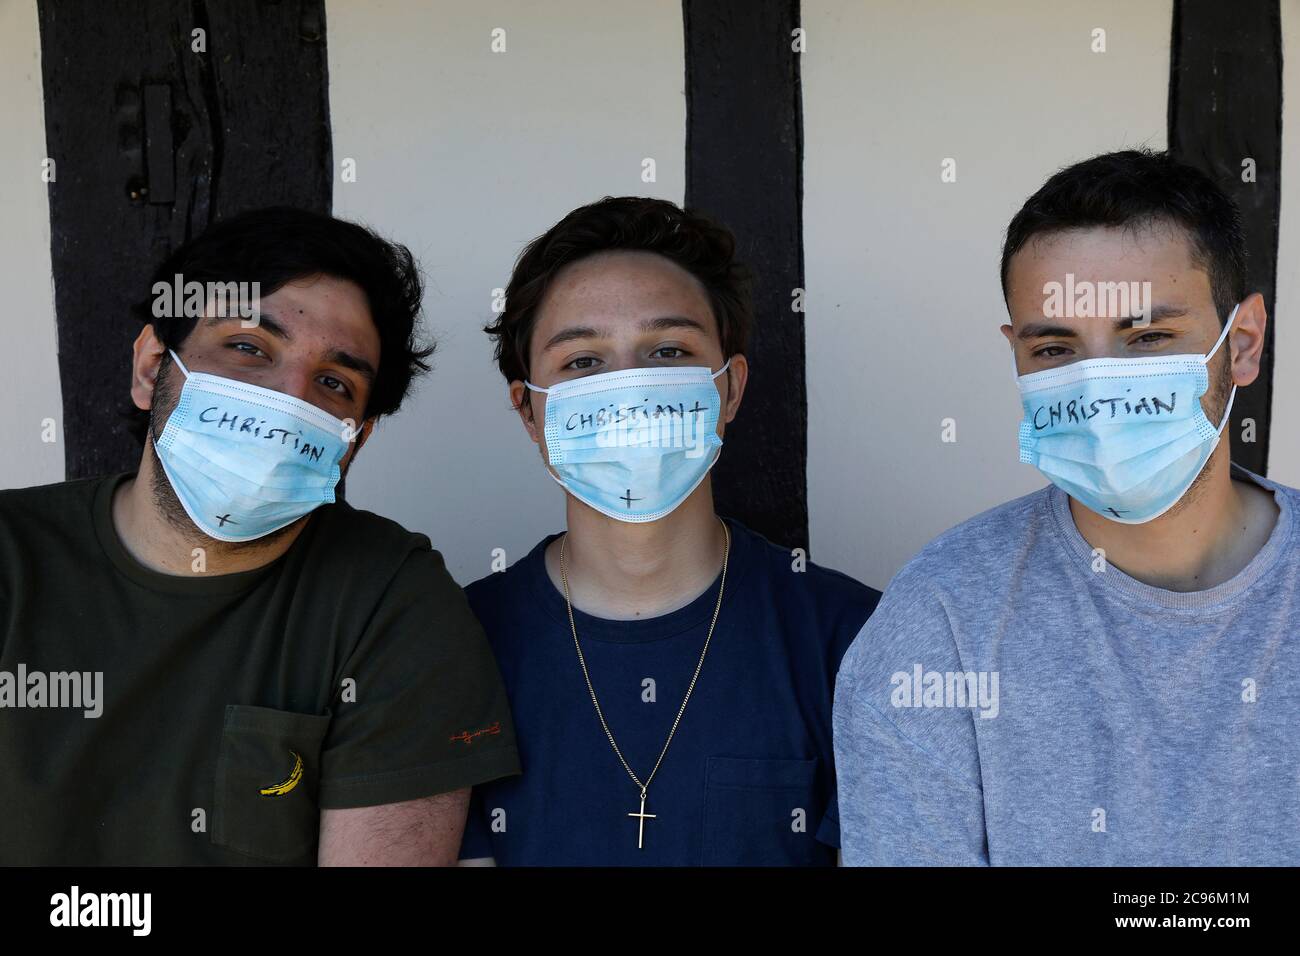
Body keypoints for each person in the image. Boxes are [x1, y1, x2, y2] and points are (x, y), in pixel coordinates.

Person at [0, 207, 519, 865]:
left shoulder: (390, 602)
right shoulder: (13, 561)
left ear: (354, 440)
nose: (288, 400)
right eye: (248, 347)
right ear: (151, 366)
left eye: (334, 382)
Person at [834, 149, 1299, 865]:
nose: (1099, 385)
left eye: (1147, 338)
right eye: (1055, 348)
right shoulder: (941, 621)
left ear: (1242, 343)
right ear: (1015, 353)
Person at [458, 196, 879, 866]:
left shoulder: (853, 637)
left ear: (730, 388)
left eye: (668, 350)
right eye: (583, 362)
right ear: (529, 411)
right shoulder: (449, 646)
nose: (631, 391)